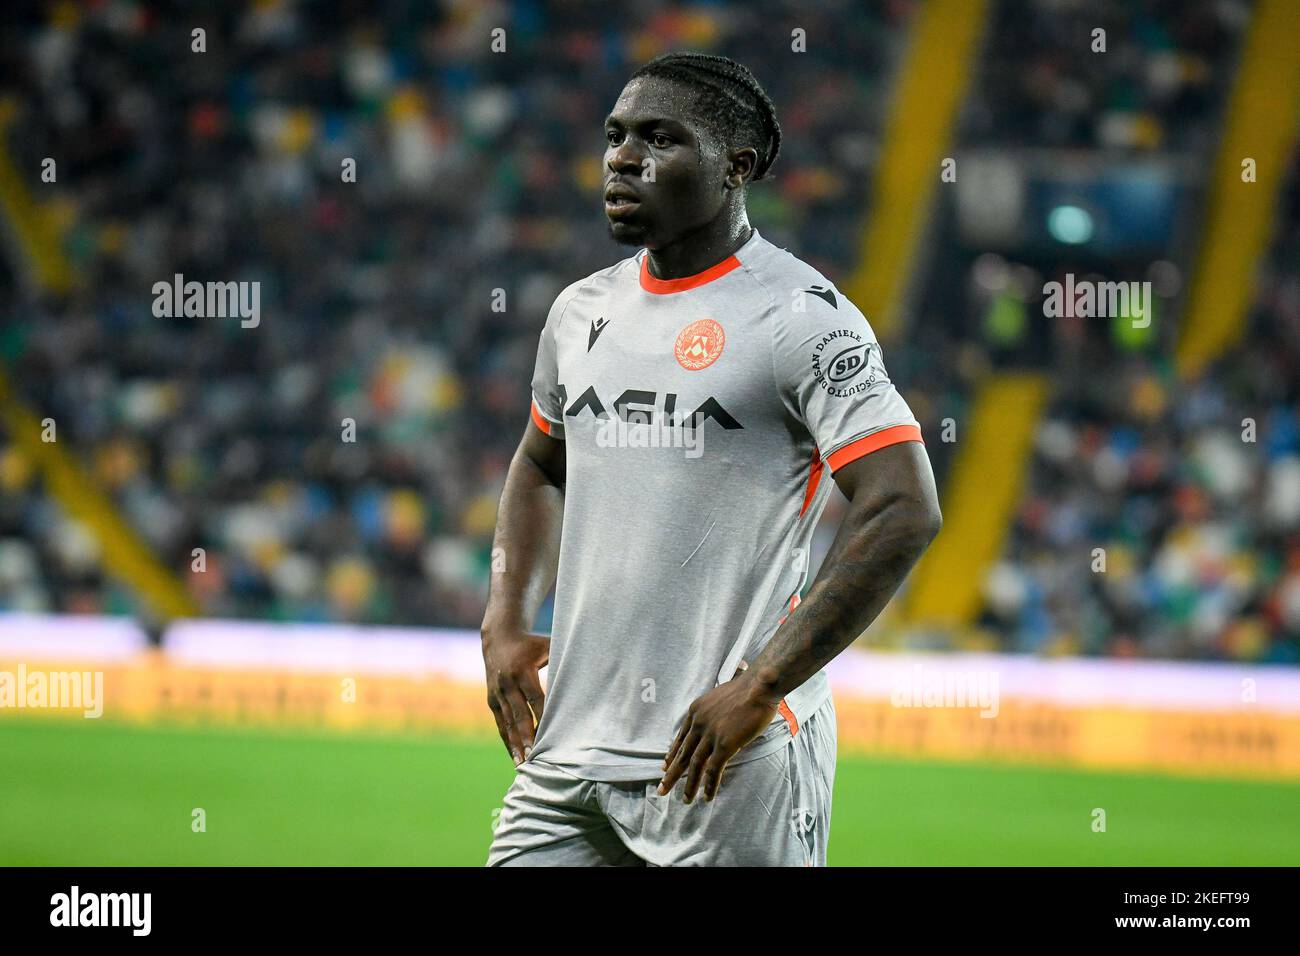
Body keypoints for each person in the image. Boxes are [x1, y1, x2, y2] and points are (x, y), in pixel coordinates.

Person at [481, 52, 941, 866]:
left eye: (660, 138)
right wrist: (507, 618)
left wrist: (763, 684)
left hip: (723, 754)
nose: (623, 157)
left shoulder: (801, 319)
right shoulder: (579, 310)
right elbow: (540, 464)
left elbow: (902, 504)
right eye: (615, 136)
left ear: (739, 166)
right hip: (567, 752)